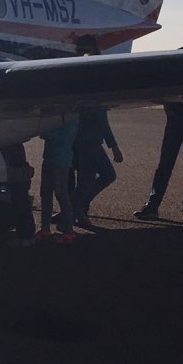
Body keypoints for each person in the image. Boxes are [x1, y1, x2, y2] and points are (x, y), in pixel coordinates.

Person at [134, 28, 183, 222]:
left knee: (175, 163)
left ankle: (166, 205)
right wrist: (168, 106)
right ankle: (180, 206)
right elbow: (165, 85)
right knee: (175, 163)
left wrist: (168, 106)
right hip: (181, 115)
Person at [69, 36, 122, 230]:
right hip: (89, 140)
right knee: (93, 178)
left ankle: (74, 208)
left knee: (99, 176)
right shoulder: (93, 80)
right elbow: (101, 119)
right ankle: (73, 208)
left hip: (80, 137)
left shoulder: (77, 75)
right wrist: (114, 146)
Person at [36, 115, 79, 243]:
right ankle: (45, 229)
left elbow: (65, 139)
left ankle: (68, 231)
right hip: (49, 158)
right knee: (46, 194)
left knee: (61, 194)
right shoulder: (58, 116)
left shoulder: (72, 118)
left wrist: (46, 134)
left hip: (61, 162)